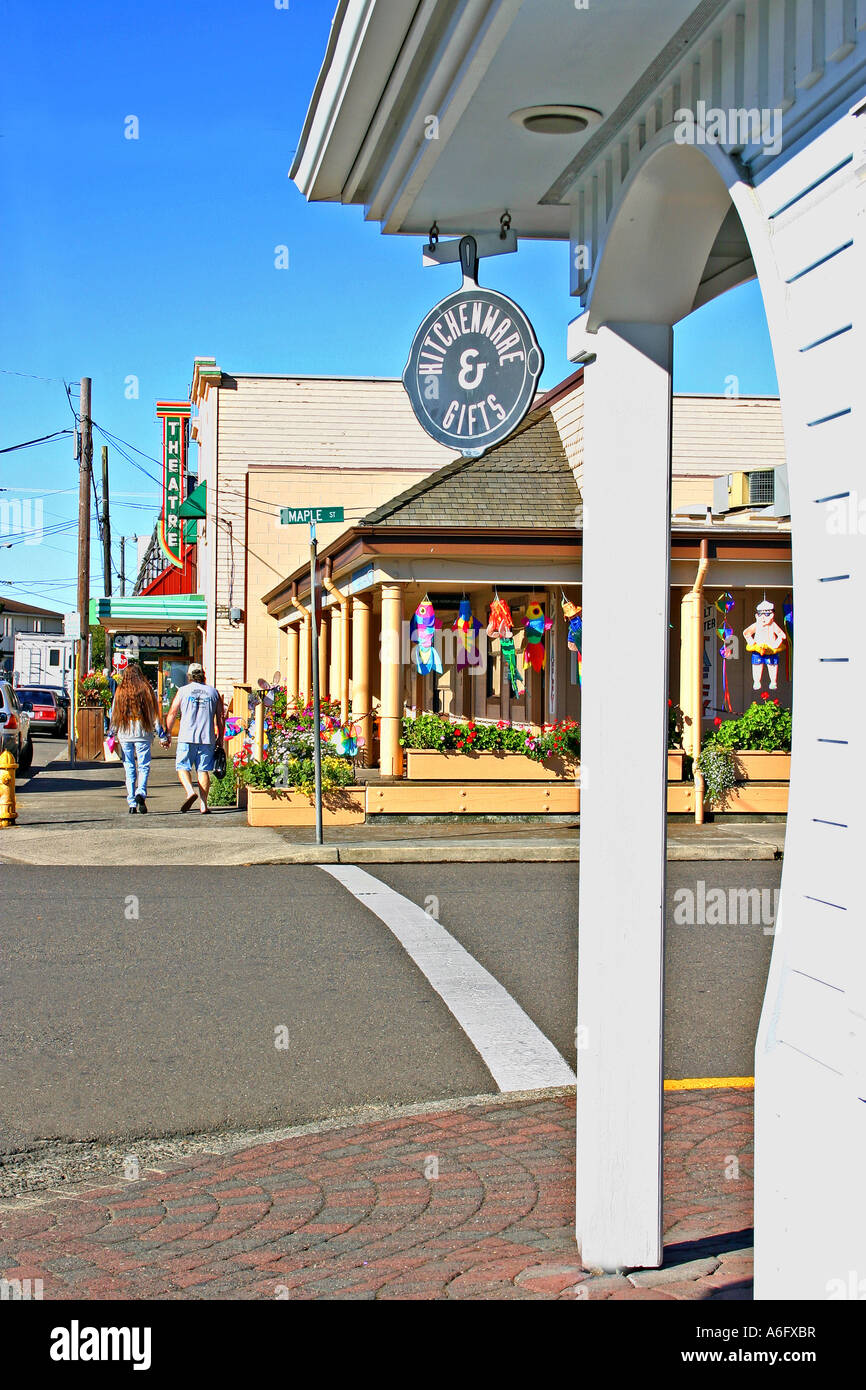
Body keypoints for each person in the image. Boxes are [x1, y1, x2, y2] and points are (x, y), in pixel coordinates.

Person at [162, 662, 225, 814]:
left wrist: (168, 733)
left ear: (189, 676)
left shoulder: (183, 691)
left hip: (186, 736)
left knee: (183, 767)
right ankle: (203, 805)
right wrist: (220, 737)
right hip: (206, 738)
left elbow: (172, 713)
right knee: (203, 771)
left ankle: (190, 791)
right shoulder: (213, 692)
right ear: (203, 675)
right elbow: (220, 717)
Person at [108, 663, 167, 815]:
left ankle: (131, 803)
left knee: (129, 767)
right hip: (143, 732)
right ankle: (140, 792)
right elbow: (154, 714)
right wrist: (161, 734)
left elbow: (114, 714)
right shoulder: (146, 690)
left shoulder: (120, 691)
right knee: (144, 765)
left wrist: (111, 734)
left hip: (125, 732)